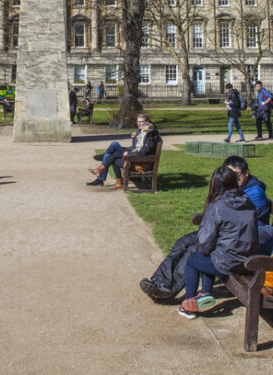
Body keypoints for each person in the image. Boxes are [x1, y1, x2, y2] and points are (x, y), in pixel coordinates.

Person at [177, 163, 259, 318]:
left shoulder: (217, 207)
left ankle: (189, 304)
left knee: (194, 259)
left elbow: (204, 241)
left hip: (229, 262)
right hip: (248, 260)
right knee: (209, 256)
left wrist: (207, 247)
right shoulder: (248, 202)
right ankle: (205, 293)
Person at [88, 116, 162, 189]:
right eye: (138, 122)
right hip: (135, 156)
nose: (140, 124)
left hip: (139, 160)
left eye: (142, 122)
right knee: (113, 150)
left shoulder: (149, 134)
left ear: (147, 122)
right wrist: (134, 138)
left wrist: (129, 154)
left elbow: (142, 151)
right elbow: (136, 147)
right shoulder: (143, 132)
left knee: (113, 150)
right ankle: (104, 170)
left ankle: (102, 171)